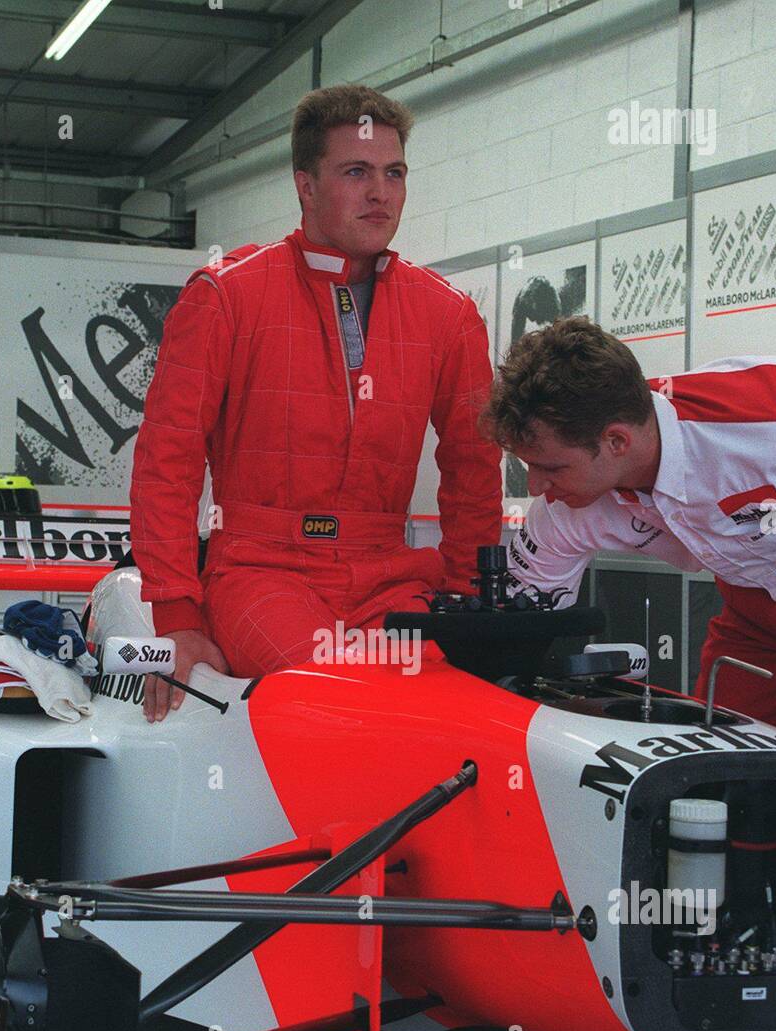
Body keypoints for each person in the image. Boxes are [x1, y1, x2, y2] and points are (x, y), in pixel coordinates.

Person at [482, 316, 776, 1031]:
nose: (540, 484)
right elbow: (524, 616)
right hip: (752, 612)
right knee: (732, 807)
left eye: (552, 465)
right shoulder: (572, 499)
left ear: (615, 439)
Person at [130, 83, 503, 720]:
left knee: (447, 698)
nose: (380, 192)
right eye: (356, 172)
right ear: (305, 184)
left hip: (391, 575)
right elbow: (168, 460)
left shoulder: (450, 315)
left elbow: (473, 470)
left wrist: (472, 595)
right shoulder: (226, 296)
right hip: (259, 571)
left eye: (394, 173)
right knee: (331, 695)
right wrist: (177, 616)